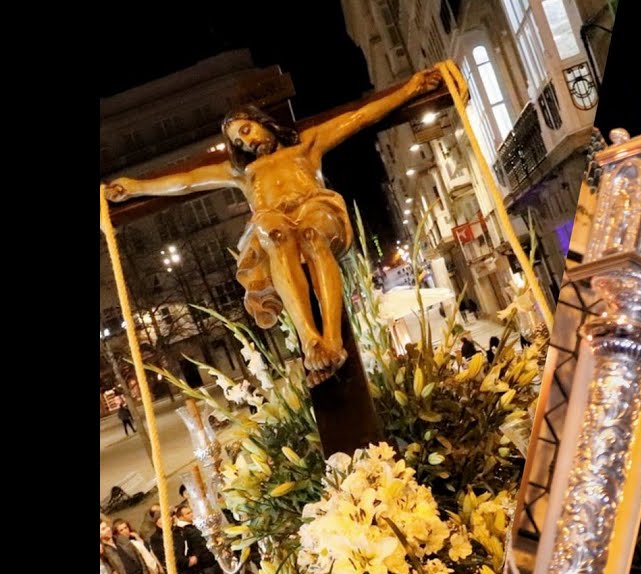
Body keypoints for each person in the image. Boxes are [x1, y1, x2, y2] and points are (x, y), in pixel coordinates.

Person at [105, 68, 442, 387]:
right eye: (238, 142)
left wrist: (411, 88)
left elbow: (361, 116)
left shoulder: (305, 145)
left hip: (314, 209)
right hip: (274, 222)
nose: (245, 143)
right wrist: (135, 187)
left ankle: (333, 339)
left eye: (247, 130)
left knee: (311, 236)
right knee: (274, 233)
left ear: (262, 122)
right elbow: (187, 182)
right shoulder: (242, 173)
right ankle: (311, 338)